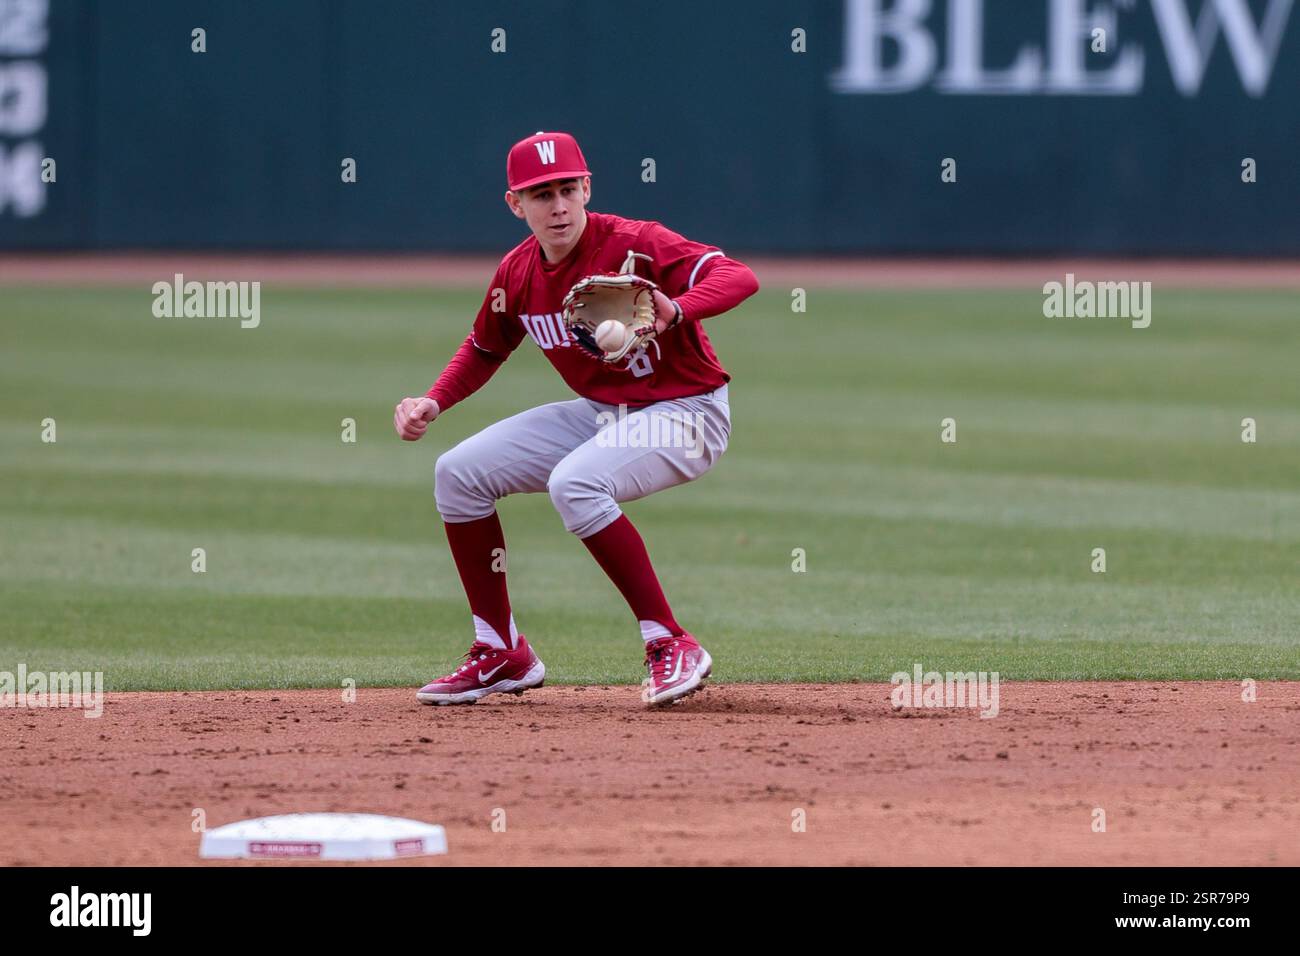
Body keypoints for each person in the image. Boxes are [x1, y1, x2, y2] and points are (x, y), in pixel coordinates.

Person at [393, 130, 759, 707]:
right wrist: (434, 400)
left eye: (567, 188)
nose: (558, 205)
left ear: (587, 187)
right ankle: (501, 650)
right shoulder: (516, 274)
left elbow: (739, 276)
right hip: (602, 413)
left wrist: (677, 308)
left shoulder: (638, 244)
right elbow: (486, 348)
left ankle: (670, 642)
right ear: (516, 204)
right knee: (457, 472)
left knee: (576, 482)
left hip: (688, 412)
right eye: (541, 194)